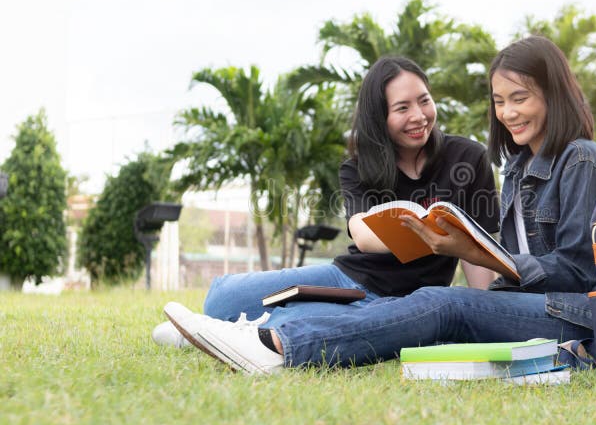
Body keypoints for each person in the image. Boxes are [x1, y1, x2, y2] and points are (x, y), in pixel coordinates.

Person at [169, 35, 596, 375]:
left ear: (553, 94)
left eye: (519, 99)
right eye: (499, 101)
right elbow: (363, 232)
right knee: (438, 305)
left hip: (576, 314)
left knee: (443, 305)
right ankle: (246, 331)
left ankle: (274, 346)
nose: (506, 114)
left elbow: (583, 272)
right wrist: (484, 266)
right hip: (519, 303)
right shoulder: (521, 168)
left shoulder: (581, 158)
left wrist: (476, 260)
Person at [154, 55, 499, 349]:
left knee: (296, 319)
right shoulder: (359, 165)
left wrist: (482, 309)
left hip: (404, 302)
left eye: (424, 100)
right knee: (221, 297)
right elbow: (362, 234)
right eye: (402, 108)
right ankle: (221, 329)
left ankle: (222, 336)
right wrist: (428, 232)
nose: (419, 116)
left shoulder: (468, 158)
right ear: (379, 117)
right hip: (347, 278)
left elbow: (480, 247)